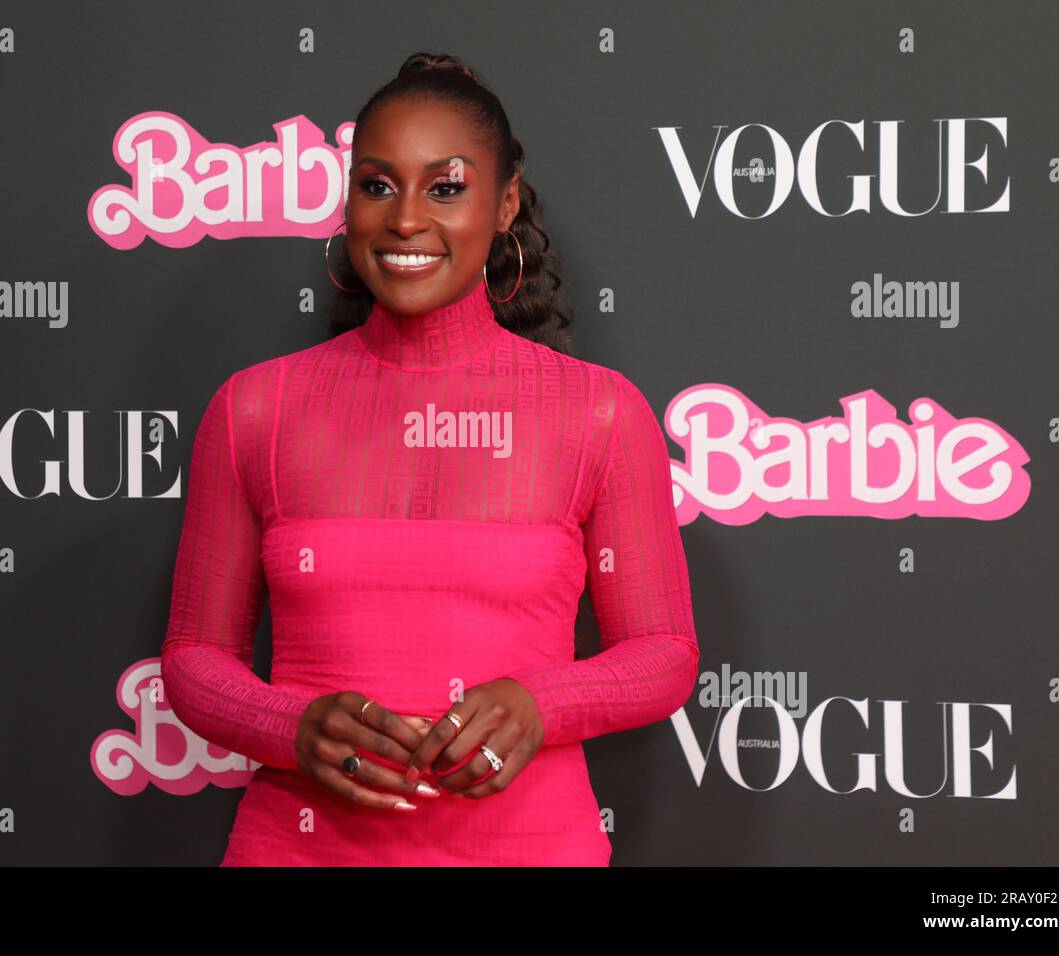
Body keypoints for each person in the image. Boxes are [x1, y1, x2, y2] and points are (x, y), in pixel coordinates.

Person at [160, 51, 699, 866]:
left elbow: (664, 655)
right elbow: (195, 660)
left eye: (445, 187)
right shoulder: (255, 410)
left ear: (505, 201)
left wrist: (539, 703)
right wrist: (288, 725)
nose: (405, 219)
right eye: (377, 186)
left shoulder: (598, 412)